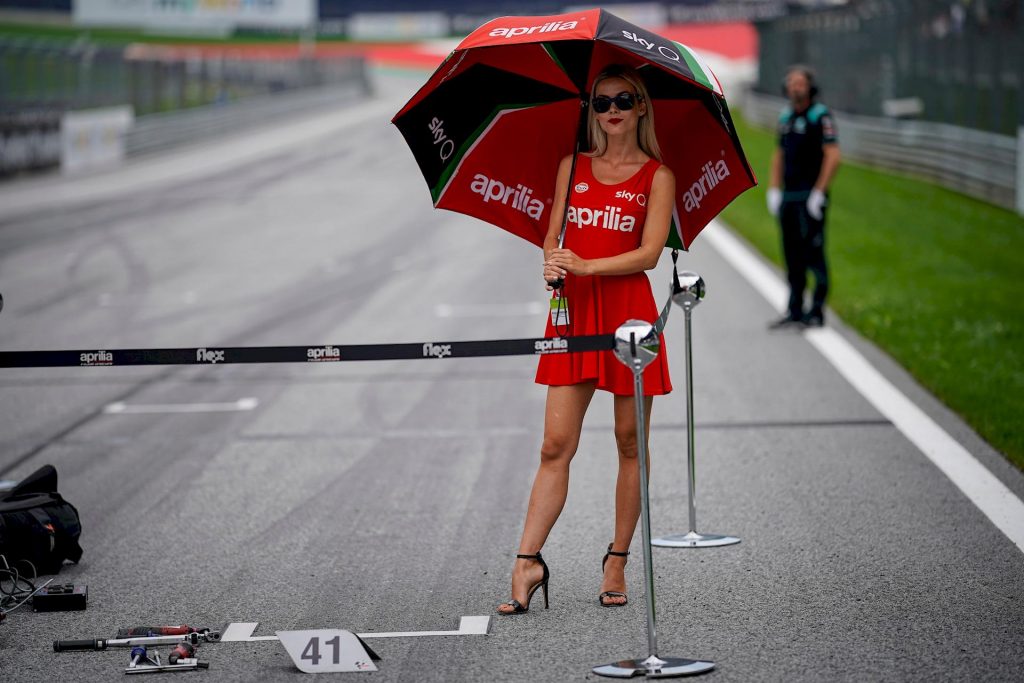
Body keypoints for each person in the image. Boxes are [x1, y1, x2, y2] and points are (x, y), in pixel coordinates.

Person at [496, 65, 675, 615]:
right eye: (601, 102)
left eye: (624, 100)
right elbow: (553, 231)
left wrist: (588, 265)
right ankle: (528, 560)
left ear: (641, 106)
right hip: (572, 313)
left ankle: (616, 559)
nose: (612, 109)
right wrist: (553, 261)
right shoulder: (571, 166)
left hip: (630, 316)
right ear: (591, 109)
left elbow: (648, 254)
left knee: (629, 443)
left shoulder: (657, 176)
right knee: (555, 445)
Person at [766, 65, 841, 328]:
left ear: (810, 87)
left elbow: (833, 155)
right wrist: (774, 188)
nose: (795, 87)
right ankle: (795, 308)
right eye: (792, 83)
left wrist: (819, 192)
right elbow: (779, 155)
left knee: (814, 252)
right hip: (790, 195)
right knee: (791, 253)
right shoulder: (786, 118)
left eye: (800, 83)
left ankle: (817, 310)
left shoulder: (820, 116)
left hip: (810, 196)